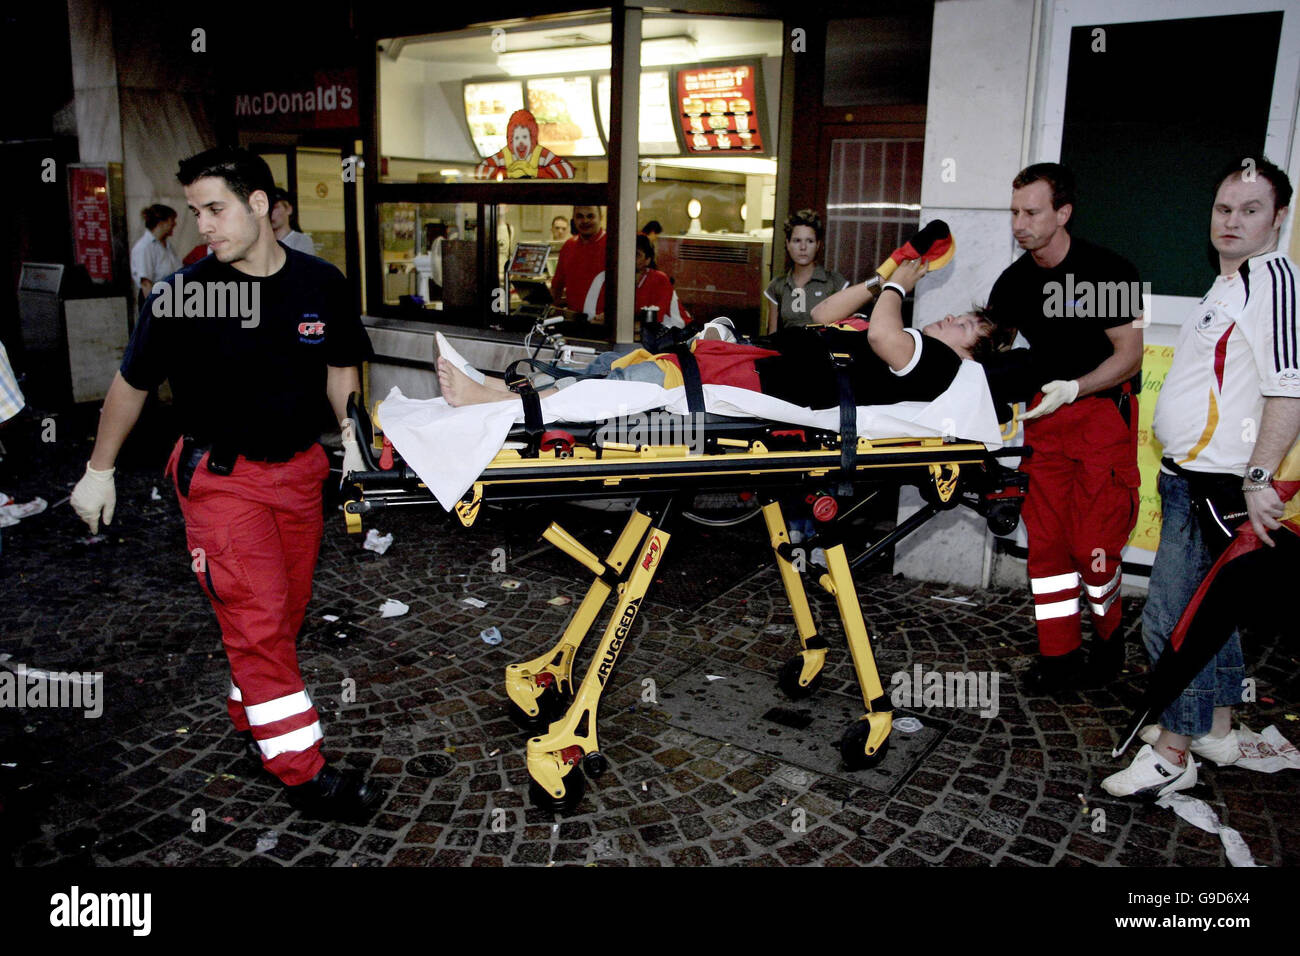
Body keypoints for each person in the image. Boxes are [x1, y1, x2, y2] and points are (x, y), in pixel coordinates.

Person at [68, 146, 380, 822]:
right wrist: (99, 469)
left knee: (283, 615)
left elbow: (338, 366)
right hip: (220, 480)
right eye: (194, 212)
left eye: (214, 209)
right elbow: (131, 383)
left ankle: (254, 723)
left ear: (260, 205)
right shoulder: (186, 293)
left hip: (301, 473)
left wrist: (354, 437)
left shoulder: (320, 282)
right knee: (261, 620)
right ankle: (303, 772)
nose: (201, 225)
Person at [1102, 157, 1299, 798]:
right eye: (1223, 208)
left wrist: (1259, 475)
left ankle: (1173, 753)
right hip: (1185, 478)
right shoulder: (1229, 284)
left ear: (1278, 218)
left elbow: (1290, 388)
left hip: (1221, 486)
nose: (1232, 220)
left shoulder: (1273, 282)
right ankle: (1215, 727)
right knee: (1215, 615)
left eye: (1249, 210)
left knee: (1173, 620)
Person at [439, 259, 1010, 410]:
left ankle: (503, 401)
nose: (950, 320)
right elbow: (824, 311)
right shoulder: (896, 323)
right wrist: (883, 277)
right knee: (625, 362)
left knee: (635, 381)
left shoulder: (938, 364)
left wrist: (901, 288)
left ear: (969, 350)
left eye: (964, 325)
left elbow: (886, 340)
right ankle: (502, 388)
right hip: (753, 359)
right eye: (959, 315)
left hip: (762, 381)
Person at [986, 163, 1144, 694]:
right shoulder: (1014, 282)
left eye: (1031, 212)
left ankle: (1109, 641)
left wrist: (1076, 387)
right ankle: (1058, 657)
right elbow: (990, 347)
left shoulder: (1108, 272)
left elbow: (1130, 355)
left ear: (1063, 213)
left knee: (1093, 549)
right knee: (1049, 548)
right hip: (1044, 424)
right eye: (1014, 212)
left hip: (1100, 416)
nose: (1020, 223)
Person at [764, 209, 850, 334]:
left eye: (809, 241)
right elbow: (772, 335)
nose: (803, 247)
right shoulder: (777, 286)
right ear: (788, 244)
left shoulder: (835, 283)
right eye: (797, 241)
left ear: (818, 245)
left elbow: (847, 330)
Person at [476, 109, 575, 180]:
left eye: (524, 137)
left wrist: (534, 172)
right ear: (511, 140)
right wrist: (508, 174)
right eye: (517, 138)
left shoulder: (541, 154)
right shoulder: (503, 156)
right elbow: (480, 171)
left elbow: (568, 170)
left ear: (532, 138)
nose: (521, 142)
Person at [551, 205, 606, 322]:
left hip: (602, 323)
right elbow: (557, 286)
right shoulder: (568, 246)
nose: (585, 221)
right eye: (579, 216)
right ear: (574, 219)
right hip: (574, 321)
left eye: (590, 216)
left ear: (601, 217)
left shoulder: (613, 245)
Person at [634, 234, 691, 329]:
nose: (631, 258)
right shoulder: (624, 281)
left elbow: (656, 317)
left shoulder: (659, 279)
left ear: (647, 260)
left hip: (677, 330)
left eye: (636, 255)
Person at [130, 204, 182, 307]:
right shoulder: (145, 247)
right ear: (161, 223)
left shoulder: (167, 246)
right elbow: (146, 284)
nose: (174, 224)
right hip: (156, 300)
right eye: (172, 220)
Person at [269, 188, 316, 256]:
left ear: (288, 209)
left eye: (275, 208)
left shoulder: (302, 241)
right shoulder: (264, 242)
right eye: (269, 209)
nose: (271, 213)